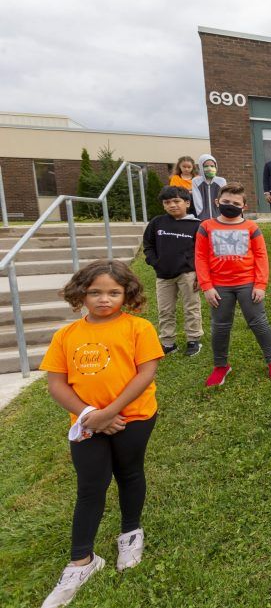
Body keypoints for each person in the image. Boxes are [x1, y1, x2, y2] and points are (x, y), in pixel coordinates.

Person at [38, 260, 164, 608]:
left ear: (127, 295)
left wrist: (111, 412)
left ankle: (131, 531)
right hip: (87, 424)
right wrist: (92, 415)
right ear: (81, 294)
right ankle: (82, 560)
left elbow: (145, 373)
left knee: (129, 473)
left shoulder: (138, 328)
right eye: (95, 292)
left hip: (134, 418)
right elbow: (56, 383)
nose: (104, 299)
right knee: (90, 485)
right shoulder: (66, 336)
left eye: (113, 292)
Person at [194, 182, 271, 386]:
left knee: (259, 324)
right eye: (226, 201)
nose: (230, 205)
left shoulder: (251, 227)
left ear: (243, 206)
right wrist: (206, 286)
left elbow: (261, 256)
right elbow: (200, 257)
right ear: (217, 202)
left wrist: (260, 284)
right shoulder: (205, 227)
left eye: (235, 203)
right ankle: (220, 366)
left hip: (248, 284)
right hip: (218, 287)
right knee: (220, 327)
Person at [142, 186, 203, 357]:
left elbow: (202, 252)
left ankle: (193, 340)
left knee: (191, 307)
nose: (172, 205)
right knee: (165, 310)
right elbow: (148, 245)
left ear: (187, 203)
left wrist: (199, 274)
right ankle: (168, 342)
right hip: (163, 275)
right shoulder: (157, 222)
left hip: (188, 273)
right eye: (167, 202)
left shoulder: (197, 225)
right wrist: (155, 262)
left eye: (176, 201)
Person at [191, 154, 227, 221]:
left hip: (219, 216)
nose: (209, 168)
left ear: (216, 167)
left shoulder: (221, 181)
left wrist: (222, 213)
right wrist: (200, 213)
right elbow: (197, 199)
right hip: (203, 218)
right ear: (201, 167)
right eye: (206, 166)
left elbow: (224, 197)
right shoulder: (196, 181)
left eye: (212, 166)